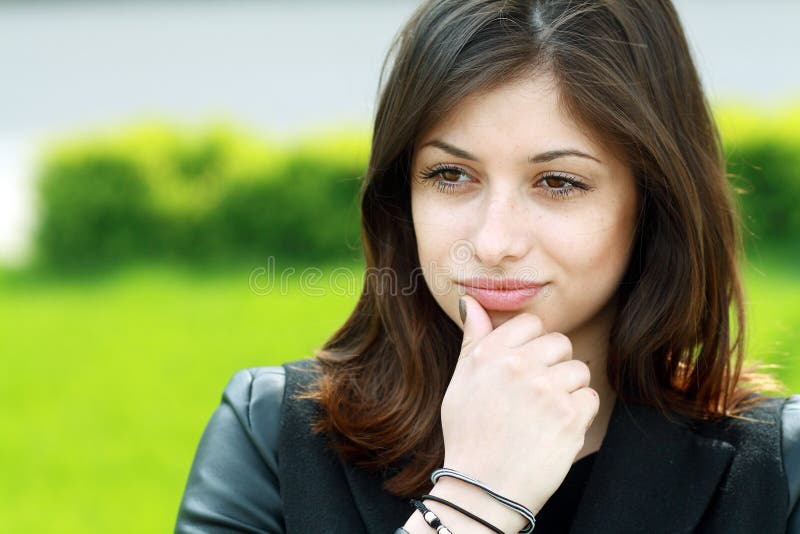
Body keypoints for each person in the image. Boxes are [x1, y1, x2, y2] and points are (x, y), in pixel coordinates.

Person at [175, 1, 800, 532]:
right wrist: (471, 501)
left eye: (557, 181)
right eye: (450, 175)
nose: (494, 240)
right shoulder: (271, 435)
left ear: (653, 201)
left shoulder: (778, 470)